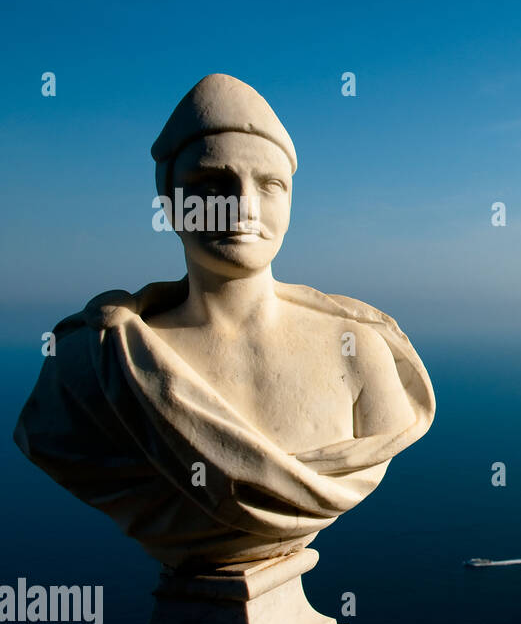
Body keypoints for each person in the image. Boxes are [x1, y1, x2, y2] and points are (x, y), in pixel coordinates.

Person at [13, 74, 435, 570]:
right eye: (212, 183)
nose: (243, 206)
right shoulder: (92, 360)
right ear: (169, 200)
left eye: (270, 184)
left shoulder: (360, 348)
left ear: (291, 201)